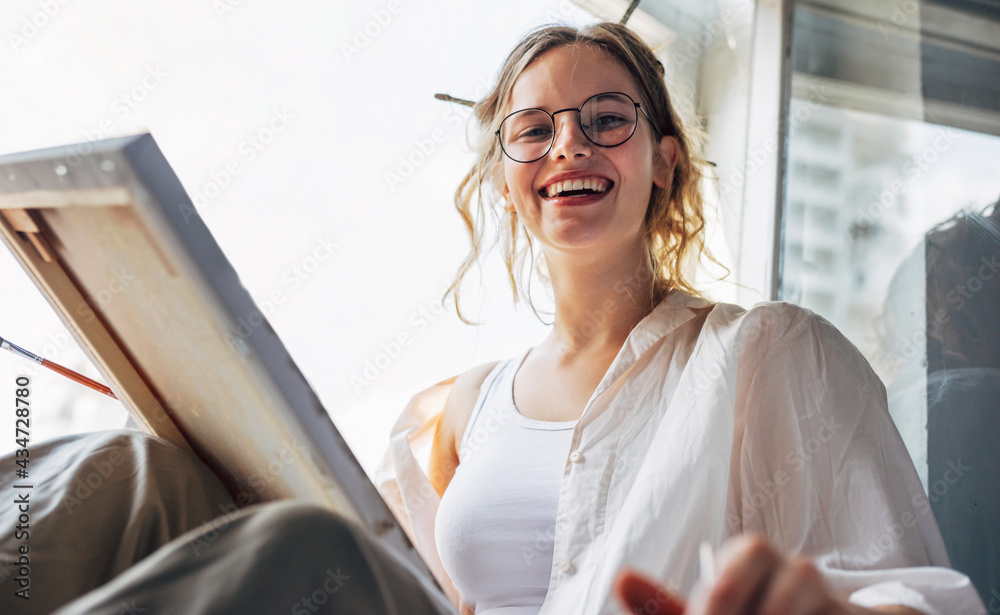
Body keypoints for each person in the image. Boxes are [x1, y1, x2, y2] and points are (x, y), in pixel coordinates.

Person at [376, 21, 987, 615]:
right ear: (504, 184)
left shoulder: (769, 353)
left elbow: (901, 592)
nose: (568, 145)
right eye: (534, 130)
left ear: (664, 161)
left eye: (608, 119)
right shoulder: (469, 404)